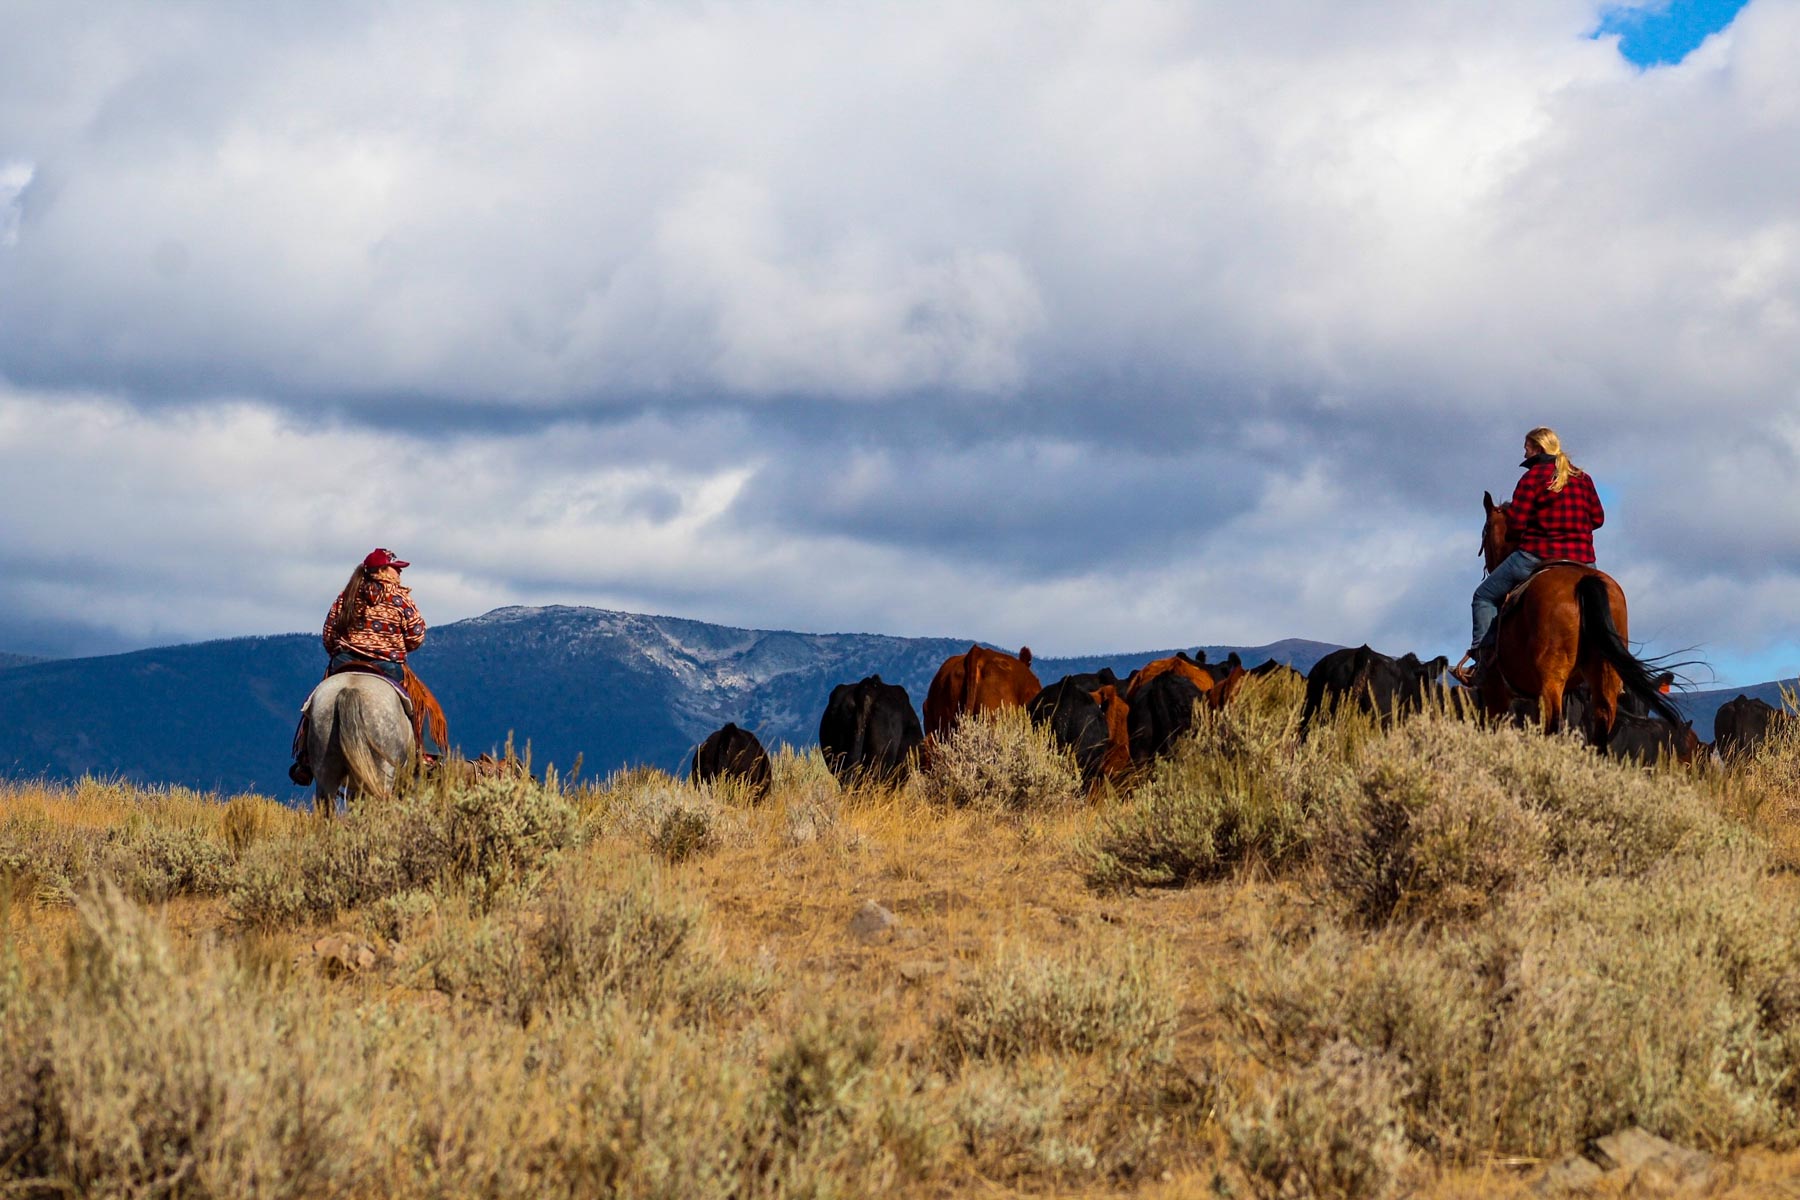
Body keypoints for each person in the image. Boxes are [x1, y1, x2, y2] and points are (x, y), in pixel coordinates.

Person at [1450, 428, 1604, 686]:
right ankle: (1614, 672)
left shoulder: (1532, 478)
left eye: (1527, 447)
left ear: (1539, 448)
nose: (1524, 452)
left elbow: (1517, 524)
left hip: (1537, 556)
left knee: (1484, 596)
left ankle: (1482, 661)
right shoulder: (1583, 478)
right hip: (1584, 561)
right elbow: (1598, 519)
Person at [288, 549, 427, 784]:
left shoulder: (348, 595)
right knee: (422, 705)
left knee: (313, 707)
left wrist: (342, 651)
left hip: (345, 661)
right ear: (382, 571)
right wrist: (394, 648)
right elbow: (417, 635)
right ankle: (425, 757)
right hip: (387, 666)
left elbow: (329, 633)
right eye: (396, 568)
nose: (399, 572)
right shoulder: (401, 598)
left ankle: (306, 758)